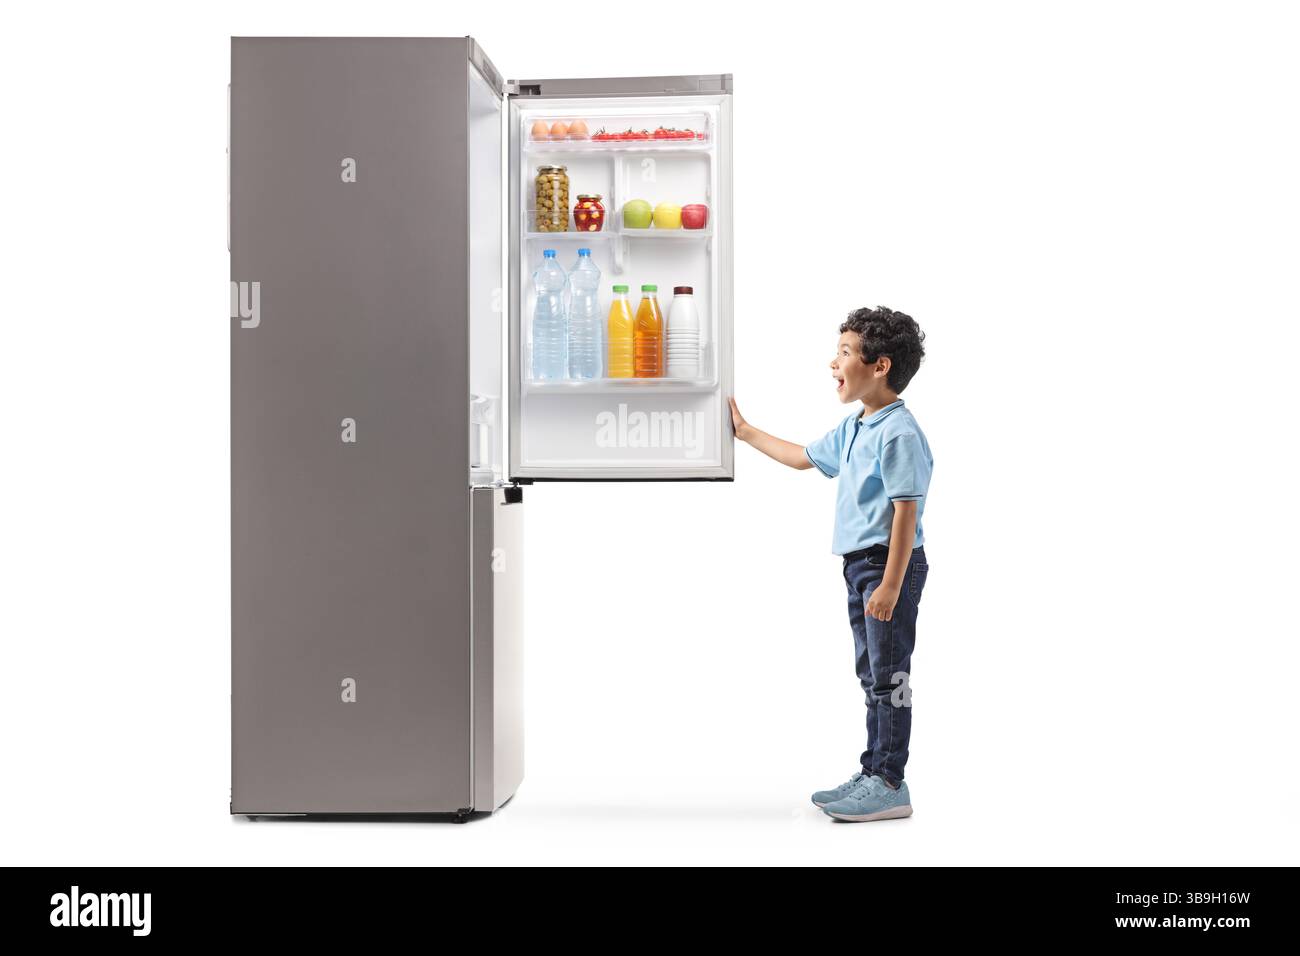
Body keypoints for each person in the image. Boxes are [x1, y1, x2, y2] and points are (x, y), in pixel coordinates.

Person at [729, 306, 932, 822]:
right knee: (871, 672)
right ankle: (873, 770)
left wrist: (890, 584)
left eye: (844, 352)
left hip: (890, 565)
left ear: (879, 366)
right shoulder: (856, 426)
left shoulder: (899, 433)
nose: (832, 362)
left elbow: (906, 513)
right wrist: (746, 432)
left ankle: (890, 781)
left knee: (890, 675)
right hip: (861, 566)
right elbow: (803, 457)